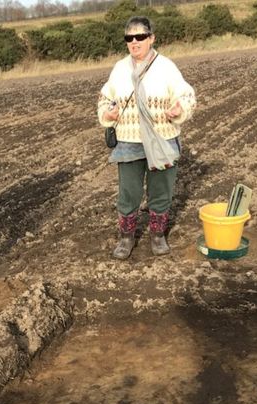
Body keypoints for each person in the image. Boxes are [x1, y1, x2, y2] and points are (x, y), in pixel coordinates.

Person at [98, 16, 196, 260]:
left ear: (151, 38)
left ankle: (157, 235)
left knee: (161, 190)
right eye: (129, 38)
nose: (134, 42)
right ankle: (126, 238)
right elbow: (104, 97)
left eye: (140, 36)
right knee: (128, 192)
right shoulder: (120, 69)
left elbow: (187, 94)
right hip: (129, 140)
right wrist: (107, 112)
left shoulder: (166, 67)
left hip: (162, 137)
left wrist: (178, 110)